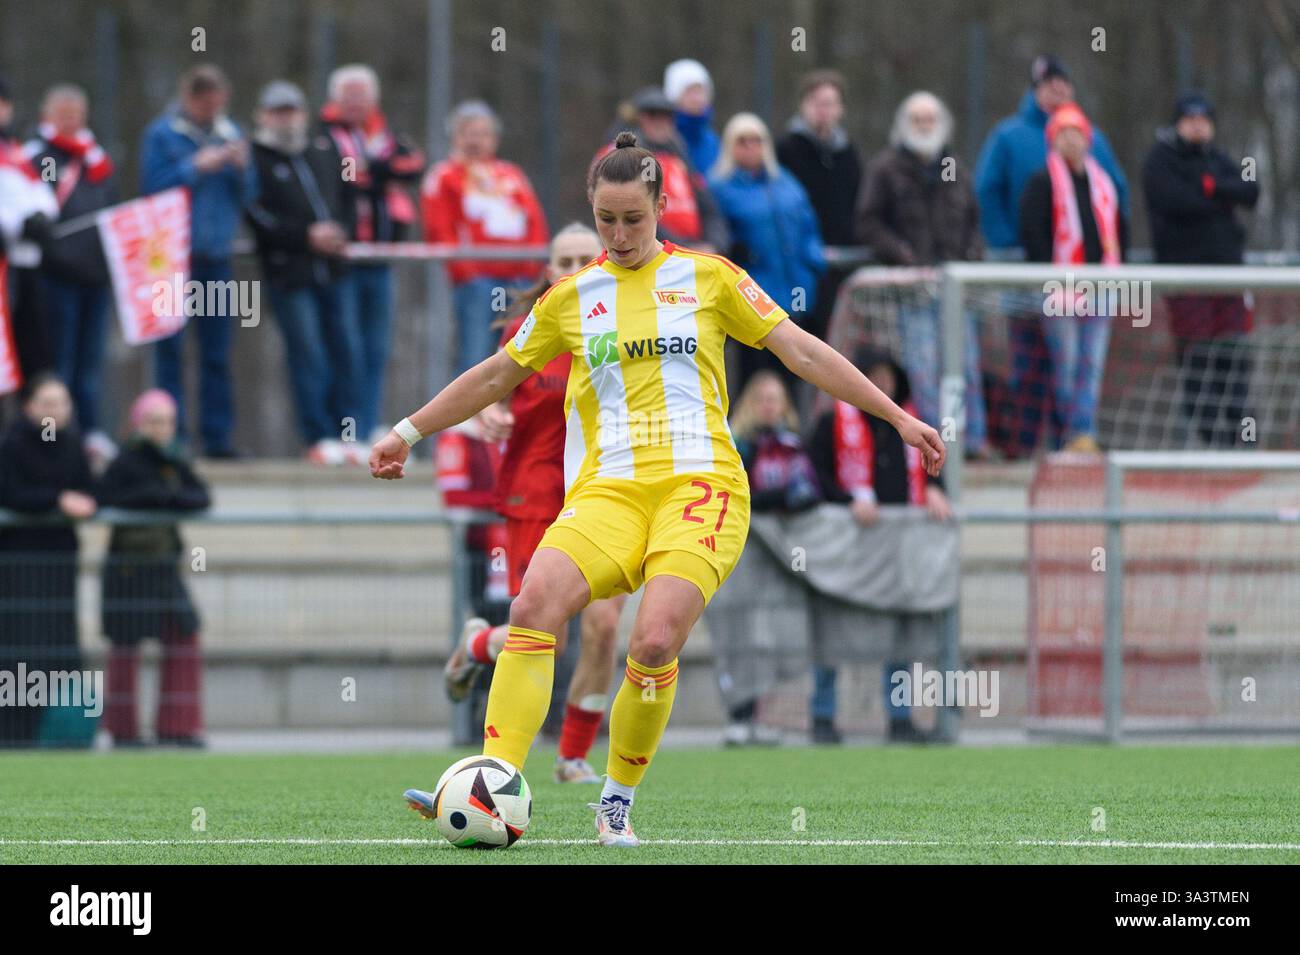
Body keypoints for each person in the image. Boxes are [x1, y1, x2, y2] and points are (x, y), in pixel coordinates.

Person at [372, 132, 945, 847]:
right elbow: (494, 376)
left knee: (650, 640)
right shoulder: (569, 299)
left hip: (701, 485)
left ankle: (614, 802)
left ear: (662, 205)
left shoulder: (711, 279)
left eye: (631, 220)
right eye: (605, 219)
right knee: (533, 602)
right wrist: (408, 430)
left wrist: (896, 417)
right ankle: (494, 783)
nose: (616, 236)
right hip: (610, 490)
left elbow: (799, 348)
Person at [442, 222, 631, 784]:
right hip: (536, 494)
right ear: (548, 271)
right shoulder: (528, 330)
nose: (573, 268)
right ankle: (477, 645)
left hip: (602, 490)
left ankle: (572, 756)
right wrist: (486, 415)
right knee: (549, 631)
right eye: (562, 260)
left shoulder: (618, 326)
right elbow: (489, 388)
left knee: (603, 628)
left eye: (582, 258)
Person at [975, 55, 1129, 458]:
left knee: (1083, 365)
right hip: (1034, 277)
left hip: (1092, 281)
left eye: (1063, 83)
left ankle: (1075, 438)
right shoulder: (1008, 137)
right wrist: (1012, 247)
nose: (1057, 90)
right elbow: (988, 193)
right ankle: (1025, 447)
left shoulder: (1099, 155)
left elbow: (1118, 202)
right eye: (1048, 84)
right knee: (1033, 364)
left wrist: (1117, 255)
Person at [807, 346, 952, 743]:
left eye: (888, 377)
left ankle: (900, 717)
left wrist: (936, 490)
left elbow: (931, 466)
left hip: (898, 546)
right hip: (847, 544)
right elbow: (814, 473)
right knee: (834, 628)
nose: (883, 384)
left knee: (900, 630)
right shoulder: (832, 422)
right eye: (874, 376)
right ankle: (823, 716)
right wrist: (847, 502)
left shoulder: (912, 423)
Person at [856, 91, 993, 460]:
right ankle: (935, 442)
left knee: (963, 367)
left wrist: (971, 257)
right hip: (910, 292)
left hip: (954, 291)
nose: (924, 125)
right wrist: (902, 255)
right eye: (917, 119)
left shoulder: (956, 169)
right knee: (924, 368)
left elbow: (974, 224)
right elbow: (867, 223)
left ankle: (971, 442)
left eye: (930, 119)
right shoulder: (884, 168)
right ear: (903, 125)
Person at [141, 65, 257, 459]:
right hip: (170, 262)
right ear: (190, 100)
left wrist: (242, 170)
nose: (213, 112)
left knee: (217, 354)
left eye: (218, 105)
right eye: (206, 105)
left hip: (216, 259)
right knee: (170, 354)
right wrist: (194, 167)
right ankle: (171, 440)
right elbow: (152, 188)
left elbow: (252, 195)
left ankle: (218, 439)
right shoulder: (162, 134)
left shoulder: (232, 133)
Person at [246, 80, 364, 465]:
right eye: (278, 112)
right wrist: (305, 237)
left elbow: (348, 194)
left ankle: (350, 434)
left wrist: (340, 231)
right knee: (308, 353)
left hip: (334, 268)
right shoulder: (254, 157)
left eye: (292, 110)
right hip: (291, 273)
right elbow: (256, 217)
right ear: (263, 116)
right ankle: (317, 437)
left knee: (346, 348)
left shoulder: (323, 147)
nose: (286, 119)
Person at [1143, 93, 1260, 447]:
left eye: (1204, 119)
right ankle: (1211, 442)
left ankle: (1242, 441)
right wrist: (1219, 198)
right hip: (1188, 279)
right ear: (1178, 123)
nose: (1198, 126)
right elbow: (1176, 201)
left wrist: (1213, 187)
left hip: (1229, 277)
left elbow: (1251, 189)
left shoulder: (1220, 159)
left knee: (1235, 359)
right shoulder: (1160, 160)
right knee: (1198, 362)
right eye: (1191, 119)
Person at [97, 389, 211, 747]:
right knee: (125, 646)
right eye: (153, 421)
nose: (161, 429)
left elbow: (200, 496)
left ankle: (177, 726)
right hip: (128, 569)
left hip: (163, 567)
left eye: (167, 422)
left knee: (183, 636)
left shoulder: (175, 459)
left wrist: (162, 497)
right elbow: (108, 495)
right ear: (138, 424)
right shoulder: (125, 461)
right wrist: (163, 497)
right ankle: (123, 730)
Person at [318, 64, 425, 443]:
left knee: (377, 348)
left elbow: (412, 165)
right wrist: (374, 174)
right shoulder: (325, 135)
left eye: (362, 95)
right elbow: (344, 176)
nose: (356, 102)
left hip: (379, 259)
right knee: (346, 347)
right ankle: (345, 429)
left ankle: (366, 425)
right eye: (349, 95)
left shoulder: (384, 136)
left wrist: (374, 170)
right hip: (342, 260)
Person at [1019, 104, 1128, 453]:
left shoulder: (1103, 182)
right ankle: (1066, 434)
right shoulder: (1042, 181)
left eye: (1076, 132)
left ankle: (1084, 433)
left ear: (1087, 138)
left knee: (1091, 366)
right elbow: (1033, 233)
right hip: (1059, 291)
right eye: (1063, 133)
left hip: (1101, 288)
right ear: (1052, 139)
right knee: (1065, 365)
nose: (1071, 140)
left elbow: (1119, 228)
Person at [721, 370, 820, 745]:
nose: (768, 405)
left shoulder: (791, 445)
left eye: (775, 398)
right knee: (738, 632)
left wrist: (783, 499)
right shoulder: (737, 443)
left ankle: (761, 715)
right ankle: (738, 714)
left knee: (768, 635)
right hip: (740, 549)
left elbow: (808, 492)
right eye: (761, 397)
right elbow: (738, 491)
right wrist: (775, 499)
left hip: (778, 555)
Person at [24, 85, 118, 465]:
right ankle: (54, 434)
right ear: (48, 115)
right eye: (62, 113)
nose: (70, 120)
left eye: (76, 113)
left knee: (90, 364)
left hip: (95, 276)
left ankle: (89, 431)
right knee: (58, 362)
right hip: (57, 275)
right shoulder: (37, 157)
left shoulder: (97, 161)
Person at [0, 373, 95, 747]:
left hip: (59, 565)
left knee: (57, 649)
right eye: (48, 403)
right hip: (19, 565)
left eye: (62, 403)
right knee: (19, 652)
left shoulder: (73, 446)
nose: (56, 411)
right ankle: (12, 736)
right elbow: (11, 493)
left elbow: (91, 489)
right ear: (29, 408)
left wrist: (87, 500)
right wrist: (57, 500)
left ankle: (54, 735)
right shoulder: (12, 446)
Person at [421, 100, 549, 374]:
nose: (475, 140)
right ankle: (470, 416)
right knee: (476, 355)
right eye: (468, 132)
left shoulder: (512, 174)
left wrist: (531, 269)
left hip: (519, 281)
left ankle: (514, 414)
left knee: (519, 354)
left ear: (495, 139)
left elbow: (534, 220)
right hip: (476, 282)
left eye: (482, 133)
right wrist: (466, 271)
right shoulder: (444, 176)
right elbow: (439, 228)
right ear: (454, 136)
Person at [709, 112, 824, 396]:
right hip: (752, 299)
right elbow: (717, 236)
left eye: (757, 140)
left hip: (793, 296)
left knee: (796, 377)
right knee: (754, 383)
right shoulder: (719, 188)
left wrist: (812, 268)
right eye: (742, 141)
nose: (750, 147)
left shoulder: (786, 183)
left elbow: (809, 228)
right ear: (730, 146)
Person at [776, 69, 863, 345]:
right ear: (804, 105)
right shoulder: (785, 149)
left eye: (830, 103)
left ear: (841, 109)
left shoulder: (849, 154)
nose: (823, 110)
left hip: (840, 266)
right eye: (817, 102)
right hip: (798, 264)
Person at [592, 87, 729, 253]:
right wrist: (683, 248)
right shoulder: (627, 157)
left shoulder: (679, 154)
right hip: (650, 252)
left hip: (691, 252)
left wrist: (714, 244)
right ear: (639, 118)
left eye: (667, 116)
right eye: (653, 115)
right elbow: (637, 213)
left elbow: (708, 206)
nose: (660, 122)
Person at [0, 77, 60, 388]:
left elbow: (39, 191)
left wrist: (41, 217)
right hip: (5, 261)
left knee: (32, 359)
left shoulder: (15, 151)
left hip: (24, 265)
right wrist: (13, 224)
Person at [664, 58, 720, 175]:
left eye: (700, 91)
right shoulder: (665, 138)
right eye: (690, 91)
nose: (697, 98)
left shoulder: (712, 141)